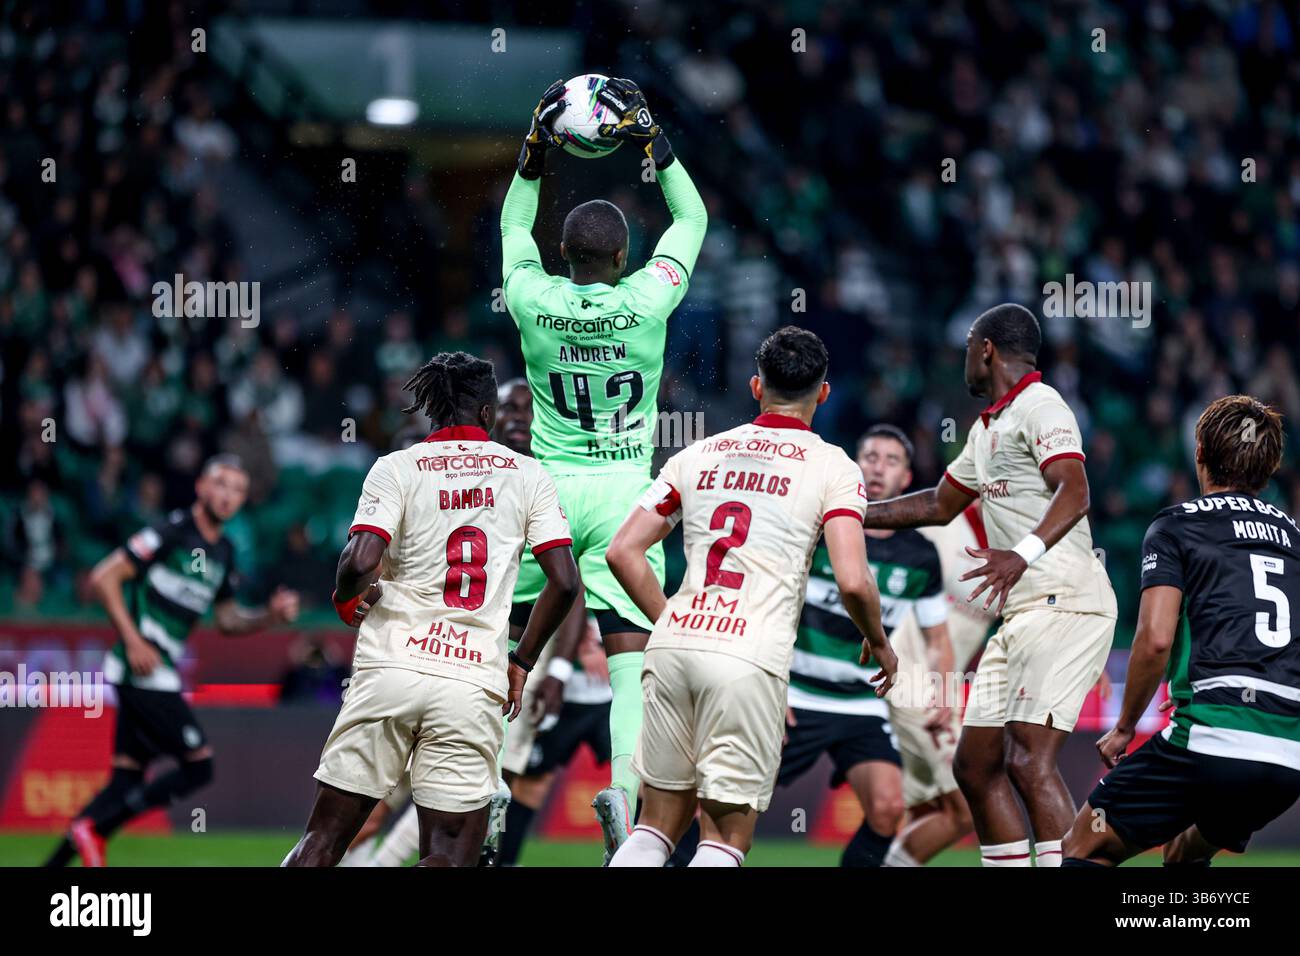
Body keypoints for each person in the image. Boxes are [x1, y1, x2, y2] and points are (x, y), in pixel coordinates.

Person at [502, 76, 708, 858]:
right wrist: (653, 141)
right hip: (625, 492)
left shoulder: (530, 299)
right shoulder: (649, 301)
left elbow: (514, 221)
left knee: (505, 643)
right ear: (625, 257)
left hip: (546, 491)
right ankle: (624, 795)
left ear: (564, 253)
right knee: (629, 661)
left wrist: (534, 147)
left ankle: (483, 783)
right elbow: (693, 217)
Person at [605, 326, 896, 867]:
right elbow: (854, 580)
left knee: (653, 830)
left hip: (674, 647)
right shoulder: (833, 467)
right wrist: (879, 642)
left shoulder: (697, 454)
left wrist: (671, 619)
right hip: (748, 655)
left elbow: (623, 551)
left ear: (756, 386)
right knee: (723, 840)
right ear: (824, 393)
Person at [282, 352, 579, 867]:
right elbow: (566, 582)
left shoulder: (396, 467)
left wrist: (345, 598)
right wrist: (522, 661)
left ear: (433, 411)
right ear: (487, 414)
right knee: (448, 854)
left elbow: (360, 560)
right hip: (470, 680)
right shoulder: (529, 475)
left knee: (324, 840)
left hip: (390, 669)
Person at [863, 303, 1116, 867]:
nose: (964, 363)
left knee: (1029, 760)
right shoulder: (988, 429)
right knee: (974, 768)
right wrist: (854, 512)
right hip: (1024, 613)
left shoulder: (1041, 405)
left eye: (967, 349)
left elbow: (1075, 491)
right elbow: (937, 503)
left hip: (1066, 601)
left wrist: (1020, 556)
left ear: (986, 350)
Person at [1063, 396, 1300, 865]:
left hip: (1214, 738)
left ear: (1199, 454)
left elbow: (1154, 639)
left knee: (1086, 843)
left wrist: (1124, 727)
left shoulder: (1178, 526)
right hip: (1288, 757)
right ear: (1269, 467)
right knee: (1184, 854)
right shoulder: (1295, 538)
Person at [45, 455, 300, 867]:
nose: (228, 495)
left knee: (126, 778)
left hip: (156, 673)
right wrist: (132, 641)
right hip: (143, 671)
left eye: (237, 489)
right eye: (220, 483)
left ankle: (66, 853)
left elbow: (229, 620)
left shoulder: (224, 551)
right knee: (199, 766)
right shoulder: (172, 532)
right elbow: (104, 577)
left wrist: (269, 615)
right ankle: (96, 828)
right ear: (201, 487)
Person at [778, 424, 955, 867]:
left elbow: (938, 639)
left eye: (891, 460)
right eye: (870, 457)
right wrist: (769, 683)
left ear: (907, 479)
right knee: (724, 800)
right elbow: (771, 605)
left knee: (888, 808)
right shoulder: (818, 530)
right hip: (794, 694)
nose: (878, 468)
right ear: (855, 467)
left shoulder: (921, 556)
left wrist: (946, 693)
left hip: (862, 702)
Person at [883, 501, 994, 866]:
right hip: (914, 682)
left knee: (926, 808)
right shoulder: (942, 526)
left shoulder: (1014, 550)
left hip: (945, 689)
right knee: (965, 806)